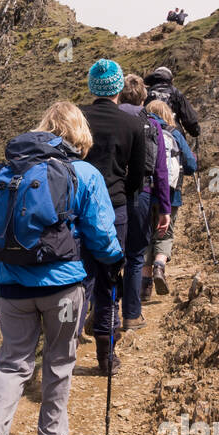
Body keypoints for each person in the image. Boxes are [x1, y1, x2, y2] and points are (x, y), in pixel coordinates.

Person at [0, 102, 122, 435]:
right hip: (62, 286)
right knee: (59, 362)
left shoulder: (10, 170)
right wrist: (114, 261)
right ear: (79, 134)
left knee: (12, 363)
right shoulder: (84, 173)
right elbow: (102, 235)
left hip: (11, 285)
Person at [79, 59, 146, 376]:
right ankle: (106, 358)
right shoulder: (132, 125)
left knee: (78, 278)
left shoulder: (79, 119)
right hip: (115, 209)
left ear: (92, 86)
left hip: (77, 208)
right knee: (109, 281)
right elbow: (137, 176)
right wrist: (122, 195)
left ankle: (64, 347)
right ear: (119, 87)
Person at [117, 75, 170, 328]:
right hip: (142, 193)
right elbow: (161, 171)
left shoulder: (109, 119)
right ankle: (131, 315)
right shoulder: (151, 124)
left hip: (110, 191)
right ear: (143, 97)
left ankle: (101, 312)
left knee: (107, 255)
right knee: (135, 256)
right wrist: (165, 208)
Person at [143, 99, 196, 296]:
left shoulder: (144, 131)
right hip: (171, 195)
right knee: (166, 233)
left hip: (145, 193)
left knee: (145, 236)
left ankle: (144, 285)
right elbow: (190, 165)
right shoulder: (175, 134)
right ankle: (159, 265)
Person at [144, 65, 201, 139]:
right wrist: (195, 130)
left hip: (150, 134)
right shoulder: (176, 93)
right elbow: (189, 118)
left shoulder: (146, 94)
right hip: (173, 133)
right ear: (170, 79)